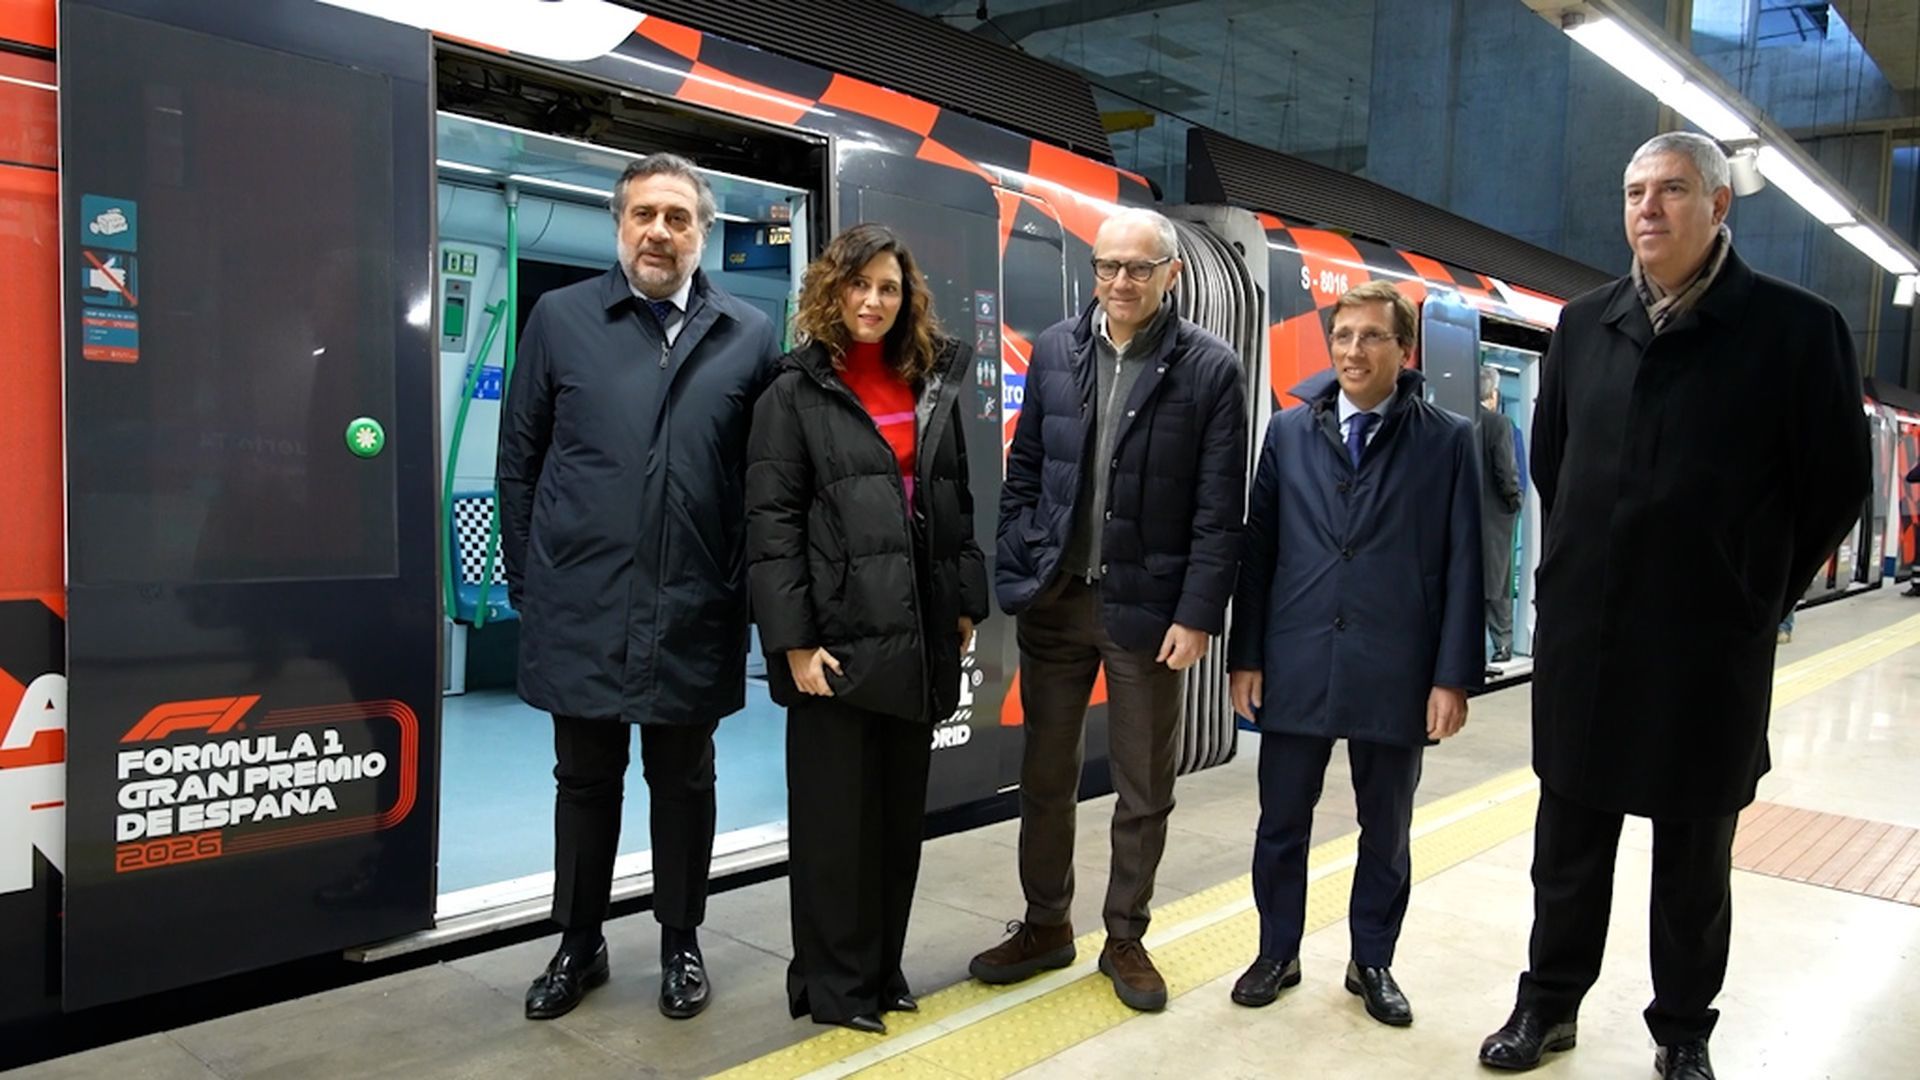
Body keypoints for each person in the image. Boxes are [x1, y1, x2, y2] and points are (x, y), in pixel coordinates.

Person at [1478, 132, 1869, 1080]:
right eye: (1633, 192)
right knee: (1568, 841)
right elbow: (1555, 463)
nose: (1647, 209)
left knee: (1694, 860)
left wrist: (1754, 589)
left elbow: (1837, 484)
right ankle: (1549, 1005)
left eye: (1671, 191)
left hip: (1709, 647)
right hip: (1591, 637)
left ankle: (1683, 1030)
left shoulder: (1796, 330)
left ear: (1719, 205)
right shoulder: (1585, 325)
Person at [498, 152, 780, 1022]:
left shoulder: (749, 333)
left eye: (678, 217)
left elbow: (761, 479)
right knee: (583, 783)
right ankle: (578, 944)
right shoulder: (561, 318)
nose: (659, 231)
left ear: (703, 232)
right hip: (580, 600)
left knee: (684, 781)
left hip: (693, 601)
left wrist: (747, 594)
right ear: (619, 226)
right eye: (643, 215)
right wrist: (531, 582)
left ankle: (680, 942)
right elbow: (520, 460)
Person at [971, 207, 1248, 1013]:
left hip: (1147, 610)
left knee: (1142, 785)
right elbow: (1024, 469)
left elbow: (1216, 504)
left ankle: (1124, 936)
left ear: (1172, 274)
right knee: (1044, 777)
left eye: (1137, 268)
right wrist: (1019, 556)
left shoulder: (1210, 368)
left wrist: (1197, 614)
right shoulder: (1059, 349)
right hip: (1057, 603)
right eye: (1107, 267)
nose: (1119, 283)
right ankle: (1046, 925)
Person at [746, 223, 988, 1035]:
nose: (873, 302)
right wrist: (791, 642)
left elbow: (955, 501)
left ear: (906, 297)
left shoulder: (932, 385)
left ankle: (882, 972)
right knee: (832, 832)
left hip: (917, 635)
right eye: (858, 286)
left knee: (894, 823)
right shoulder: (793, 392)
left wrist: (965, 601)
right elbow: (771, 525)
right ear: (831, 291)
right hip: (837, 645)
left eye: (888, 288)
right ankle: (831, 987)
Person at [1226, 280, 1483, 1025]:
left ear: (1403, 352)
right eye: (1343, 336)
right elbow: (1259, 551)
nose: (1353, 350)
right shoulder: (1288, 433)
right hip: (1298, 656)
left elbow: (1468, 561)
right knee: (1281, 821)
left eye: (1372, 337)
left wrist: (1451, 677)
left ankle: (1372, 960)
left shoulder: (1447, 441)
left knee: (1387, 828)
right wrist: (1247, 656)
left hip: (1396, 667)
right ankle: (1278, 950)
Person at [1476, 366, 1524, 662]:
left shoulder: (1459, 420)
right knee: (1500, 583)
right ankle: (1503, 645)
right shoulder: (1500, 423)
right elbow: (1506, 471)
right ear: (1493, 394)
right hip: (1496, 518)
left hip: (1468, 518)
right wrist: (1515, 500)